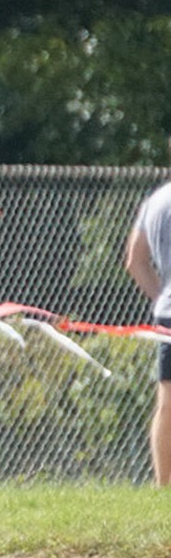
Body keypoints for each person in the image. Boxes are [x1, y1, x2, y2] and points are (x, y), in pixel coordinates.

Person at [123, 135, 171, 485]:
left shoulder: (156, 200)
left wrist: (161, 300)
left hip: (168, 313)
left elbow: (135, 261)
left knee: (167, 403)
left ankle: (164, 484)